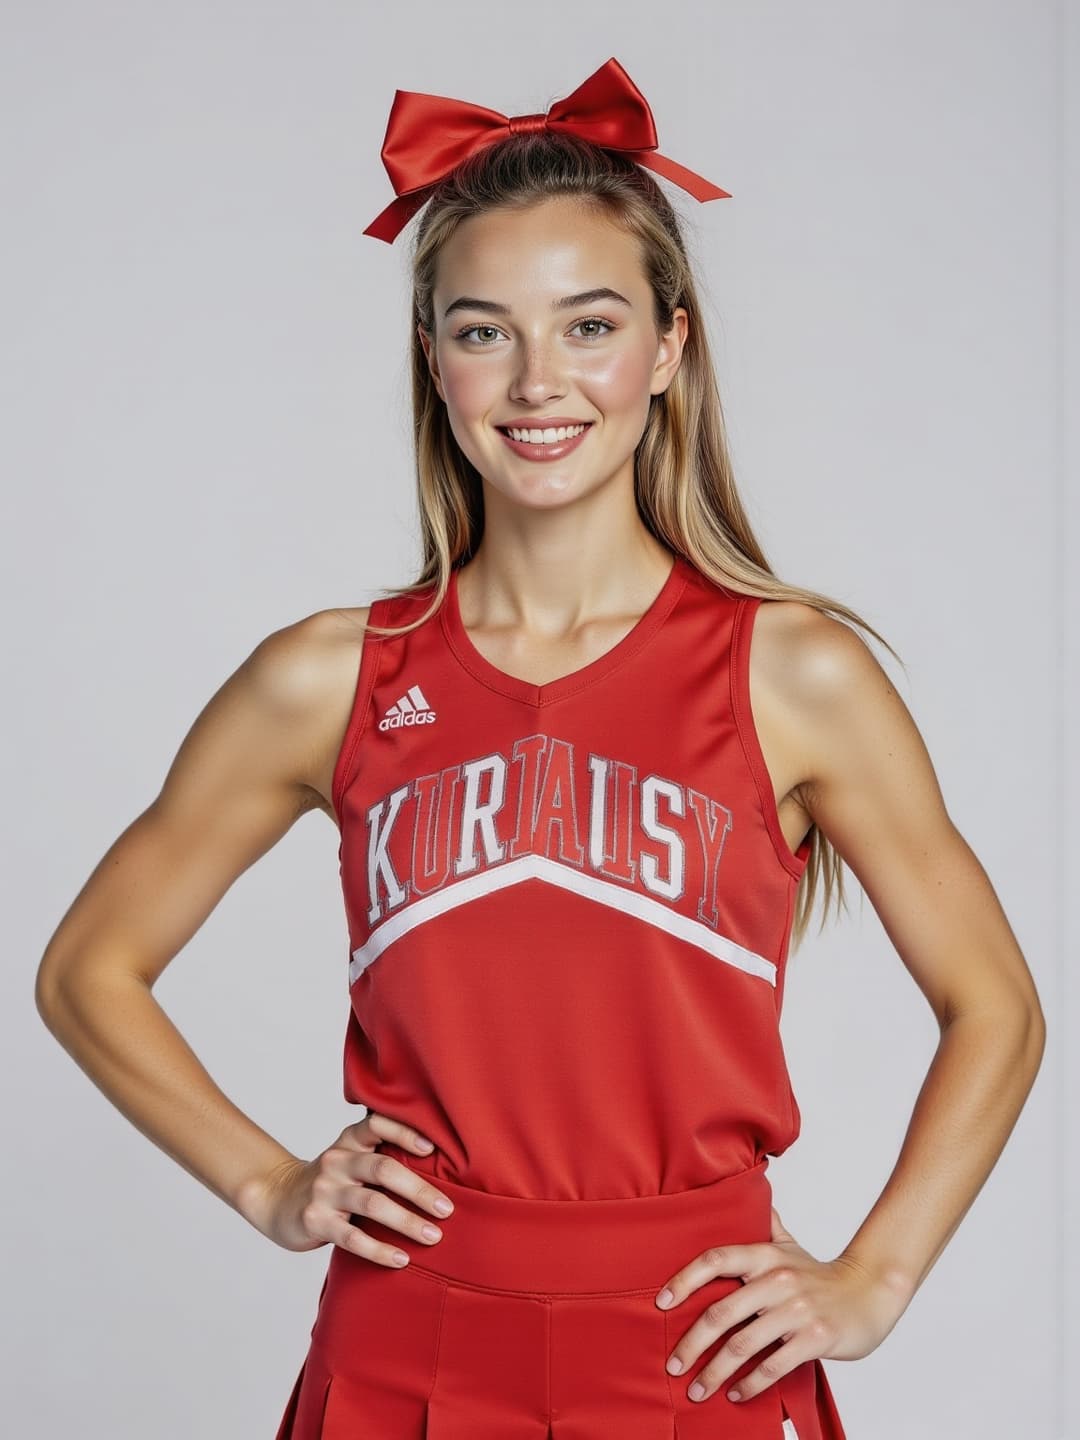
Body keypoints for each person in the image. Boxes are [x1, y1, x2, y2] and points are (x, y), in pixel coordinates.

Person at [35, 58, 1045, 1440]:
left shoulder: (794, 669)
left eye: (588, 324)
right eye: (481, 330)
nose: (536, 381)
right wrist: (272, 1185)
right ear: (432, 356)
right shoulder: (328, 678)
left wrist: (874, 1276)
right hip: (405, 1338)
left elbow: (997, 1005)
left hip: (699, 1351)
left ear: (668, 350)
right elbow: (89, 967)